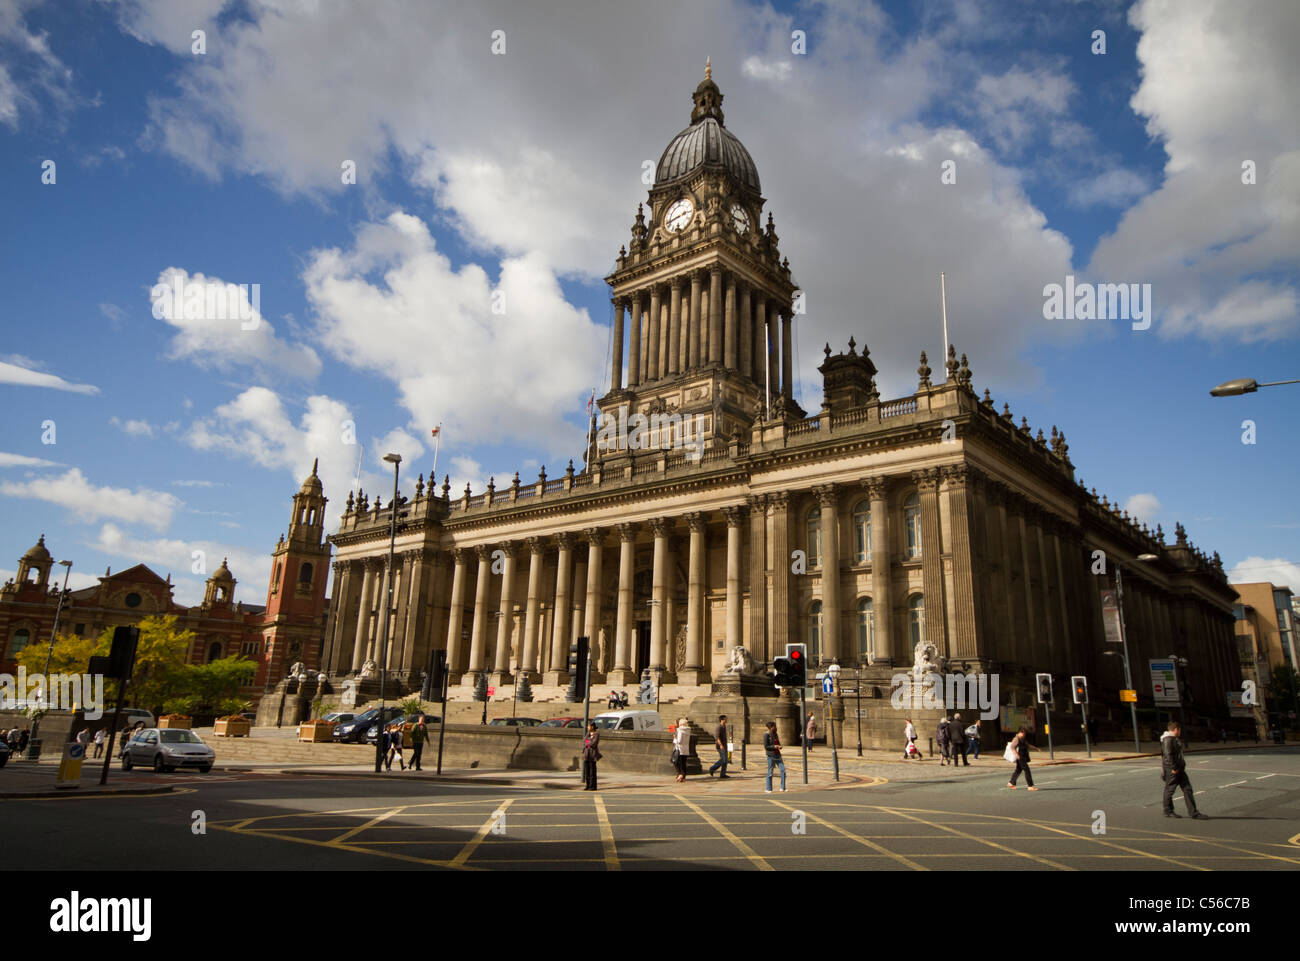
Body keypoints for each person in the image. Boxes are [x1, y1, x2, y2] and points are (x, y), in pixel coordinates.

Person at [1162, 721, 1207, 819]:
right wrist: (1174, 768)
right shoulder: (1168, 740)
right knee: (1169, 790)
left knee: (1187, 789)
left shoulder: (1173, 739)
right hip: (1173, 770)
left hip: (1179, 769)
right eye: (1180, 730)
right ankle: (1168, 811)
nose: (1180, 732)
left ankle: (1193, 813)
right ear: (1176, 729)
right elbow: (1168, 755)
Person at [1007, 726, 1038, 790]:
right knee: (1027, 770)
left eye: (1025, 733)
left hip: (1023, 756)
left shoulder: (1022, 738)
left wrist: (1036, 748)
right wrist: (1017, 755)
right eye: (1023, 733)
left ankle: (1011, 783)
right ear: (1020, 732)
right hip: (1020, 757)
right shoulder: (1016, 739)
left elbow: (1028, 745)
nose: (1024, 735)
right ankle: (1030, 786)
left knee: (1018, 770)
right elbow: (1012, 747)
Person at [763, 721, 787, 793]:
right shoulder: (766, 735)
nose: (776, 727)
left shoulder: (776, 734)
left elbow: (778, 742)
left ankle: (782, 787)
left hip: (778, 754)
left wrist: (779, 746)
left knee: (783, 770)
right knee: (770, 772)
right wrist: (774, 746)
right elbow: (766, 746)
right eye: (774, 726)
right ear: (771, 727)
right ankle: (768, 788)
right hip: (771, 755)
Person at [708, 714, 730, 779]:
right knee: (723, 759)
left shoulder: (724, 726)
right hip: (720, 746)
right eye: (725, 719)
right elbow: (717, 737)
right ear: (722, 720)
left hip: (724, 745)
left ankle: (723, 774)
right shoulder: (719, 727)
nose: (726, 720)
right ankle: (712, 768)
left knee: (725, 760)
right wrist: (721, 745)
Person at [582, 721, 601, 790]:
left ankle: (593, 786)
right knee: (587, 771)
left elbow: (594, 743)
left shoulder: (596, 734)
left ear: (592, 727)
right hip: (586, 754)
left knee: (592, 771)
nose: (587, 727)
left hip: (593, 754)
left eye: (588, 726)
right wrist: (588, 742)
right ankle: (587, 785)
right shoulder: (588, 734)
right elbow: (584, 741)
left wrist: (588, 742)